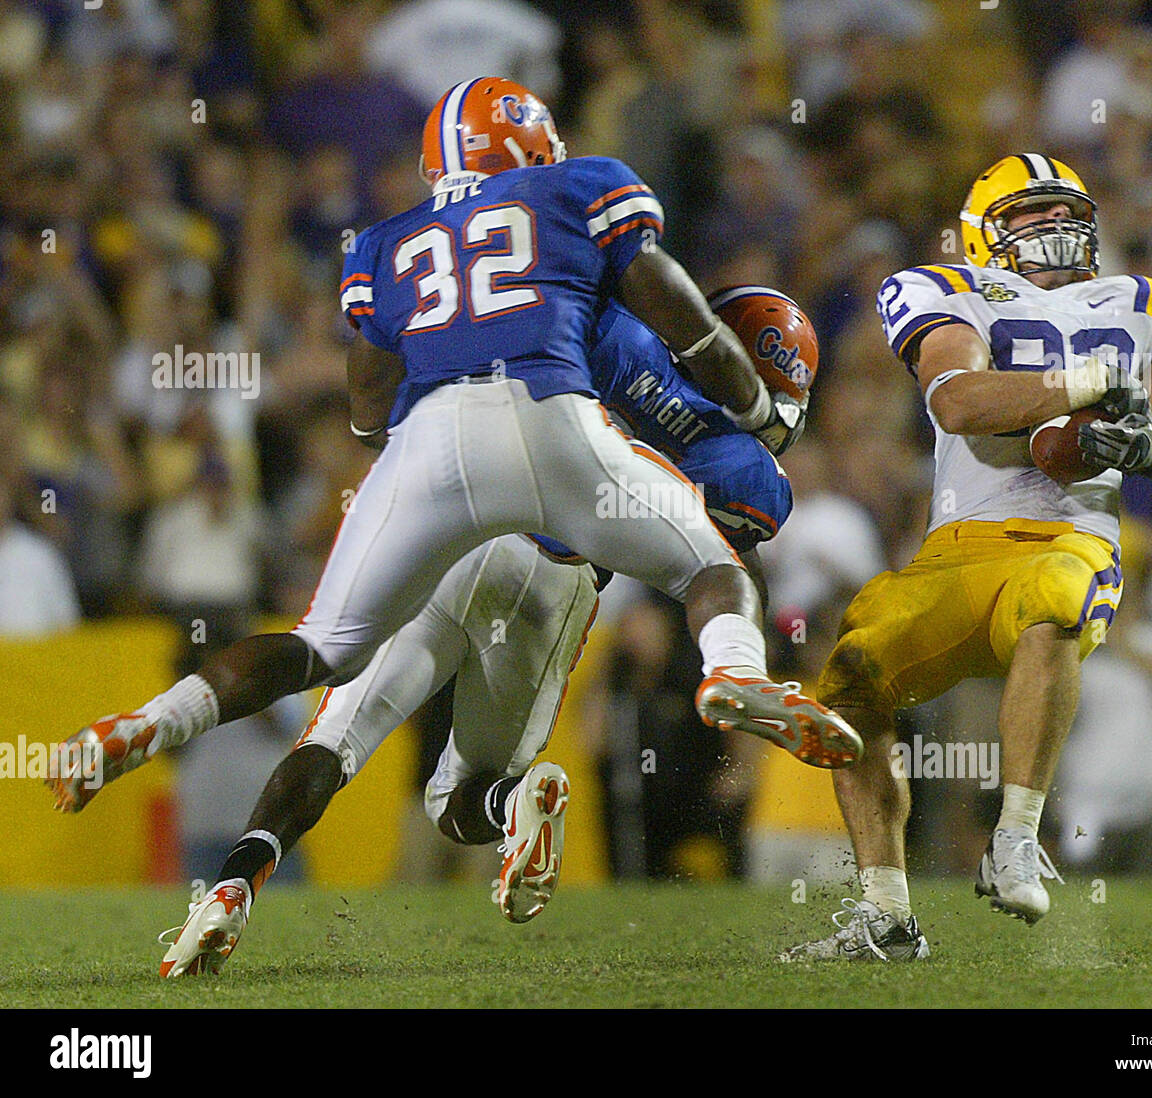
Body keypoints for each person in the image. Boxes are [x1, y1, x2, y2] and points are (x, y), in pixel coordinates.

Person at [44, 77, 861, 946]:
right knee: (706, 579)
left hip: (435, 459)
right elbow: (672, 317)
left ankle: (162, 750)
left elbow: (367, 408)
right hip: (558, 493)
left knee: (328, 671)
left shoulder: (393, 242)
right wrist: (748, 405)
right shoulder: (592, 208)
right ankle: (724, 676)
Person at [154, 284, 813, 977]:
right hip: (557, 582)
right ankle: (516, 799)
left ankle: (234, 882)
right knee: (459, 800)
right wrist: (741, 651)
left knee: (335, 734)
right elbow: (733, 566)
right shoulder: (749, 472)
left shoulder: (622, 337)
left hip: (467, 526)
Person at [781, 152, 1152, 962]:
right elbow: (957, 402)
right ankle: (886, 918)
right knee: (850, 677)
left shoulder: (1135, 301)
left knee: (1059, 598)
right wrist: (1086, 381)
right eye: (1032, 215)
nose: (1057, 229)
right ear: (986, 234)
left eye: (1069, 214)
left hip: (1069, 536)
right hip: (960, 549)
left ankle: (1016, 839)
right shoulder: (943, 288)